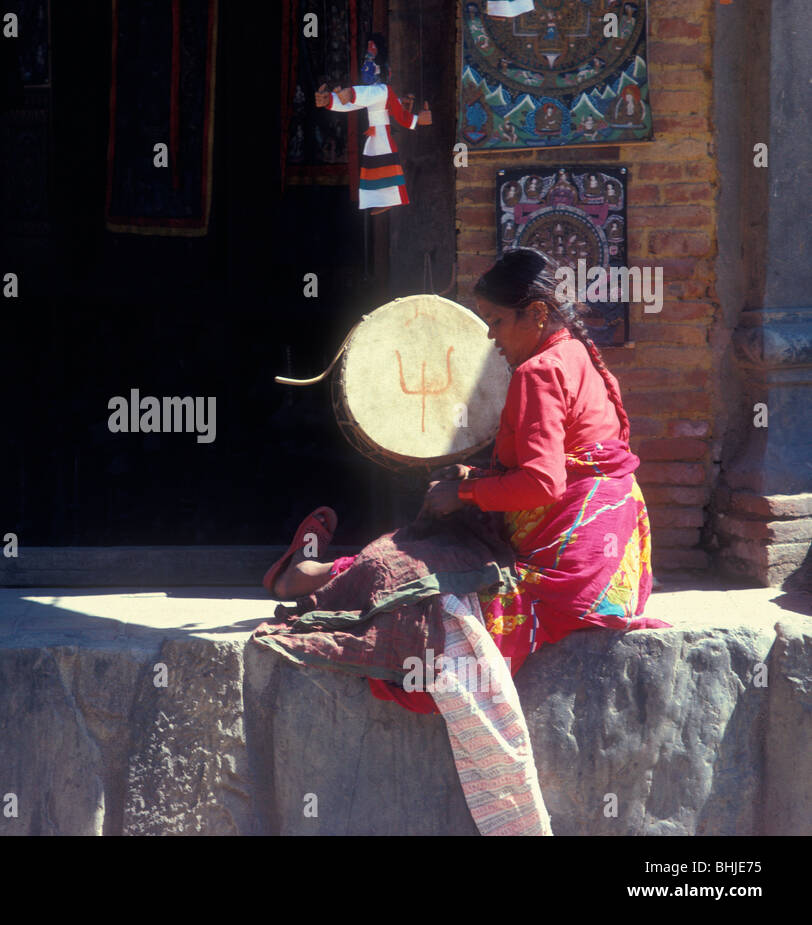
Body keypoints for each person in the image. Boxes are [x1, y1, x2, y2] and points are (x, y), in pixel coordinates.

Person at [260, 247, 661, 835]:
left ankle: (321, 576)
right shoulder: (576, 351)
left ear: (538, 314)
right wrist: (477, 483)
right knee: (432, 548)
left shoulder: (538, 371)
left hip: (564, 560)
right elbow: (562, 465)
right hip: (617, 545)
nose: (491, 339)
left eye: (497, 322)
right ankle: (321, 575)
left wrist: (467, 495)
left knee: (438, 593)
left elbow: (545, 482)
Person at [313, 33, 425, 214]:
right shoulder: (378, 92)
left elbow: (393, 111)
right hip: (376, 133)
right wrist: (330, 101)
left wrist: (417, 120)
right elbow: (355, 102)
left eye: (371, 58)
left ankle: (390, 198)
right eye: (366, 58)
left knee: (385, 168)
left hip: (381, 132)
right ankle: (383, 199)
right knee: (376, 168)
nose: (367, 65)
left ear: (380, 67)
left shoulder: (382, 91)